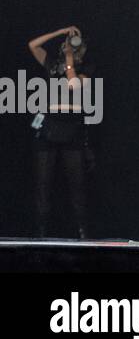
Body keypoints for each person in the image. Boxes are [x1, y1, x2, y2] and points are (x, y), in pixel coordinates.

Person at [27, 24, 95, 239]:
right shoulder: (50, 64)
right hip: (49, 126)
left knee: (77, 183)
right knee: (43, 183)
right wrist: (60, 32)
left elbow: (74, 85)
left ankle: (83, 231)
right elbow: (33, 44)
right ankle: (41, 233)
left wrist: (69, 59)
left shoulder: (86, 68)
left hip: (72, 128)